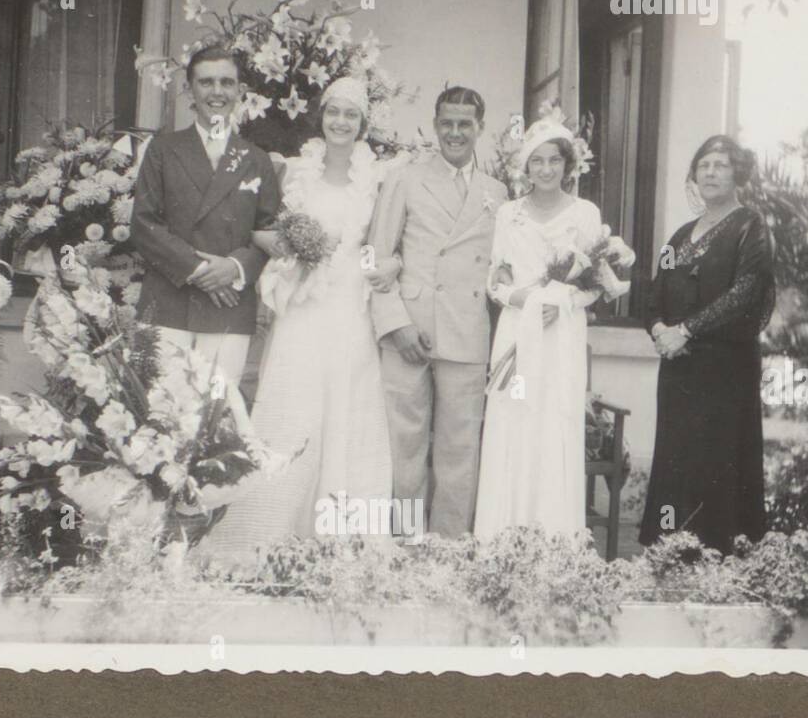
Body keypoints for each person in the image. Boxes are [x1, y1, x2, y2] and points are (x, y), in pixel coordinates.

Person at [211, 75, 395, 551]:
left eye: (351, 115)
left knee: (348, 402)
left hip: (350, 301)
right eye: (334, 112)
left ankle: (341, 531)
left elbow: (377, 246)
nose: (341, 122)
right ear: (321, 116)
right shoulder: (294, 170)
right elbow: (260, 231)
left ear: (362, 124)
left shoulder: (377, 177)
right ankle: (272, 528)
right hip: (305, 300)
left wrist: (379, 269)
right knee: (296, 396)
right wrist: (295, 249)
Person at [368, 86, 507, 537]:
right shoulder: (404, 179)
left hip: (466, 334)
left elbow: (506, 273)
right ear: (434, 124)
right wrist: (396, 325)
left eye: (465, 124)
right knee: (404, 444)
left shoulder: (498, 194)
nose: (454, 132)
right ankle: (404, 543)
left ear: (480, 129)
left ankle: (447, 548)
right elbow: (376, 258)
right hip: (409, 332)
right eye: (446, 122)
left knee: (459, 447)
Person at [640, 134, 776, 554]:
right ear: (694, 176)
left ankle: (719, 554)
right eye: (704, 165)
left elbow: (745, 294)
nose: (711, 172)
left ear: (738, 173)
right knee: (676, 459)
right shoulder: (679, 236)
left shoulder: (751, 227)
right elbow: (654, 294)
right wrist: (661, 329)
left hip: (725, 371)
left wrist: (688, 330)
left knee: (718, 460)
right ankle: (671, 551)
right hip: (679, 371)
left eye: (720, 164)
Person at [474, 117, 606, 540]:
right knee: (515, 420)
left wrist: (562, 301)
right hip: (517, 333)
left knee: (554, 422)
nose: (545, 169)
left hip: (561, 338)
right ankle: (503, 536)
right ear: (525, 167)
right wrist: (528, 303)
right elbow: (494, 280)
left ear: (567, 165)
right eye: (537, 161)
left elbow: (596, 285)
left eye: (554, 161)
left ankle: (553, 540)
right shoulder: (509, 214)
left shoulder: (585, 213)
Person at [129, 43, 282, 387]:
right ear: (189, 90)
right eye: (206, 82)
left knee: (217, 418)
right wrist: (200, 271)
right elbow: (144, 224)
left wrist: (235, 268)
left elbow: (268, 231)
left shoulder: (256, 159)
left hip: (229, 306)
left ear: (241, 91)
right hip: (168, 302)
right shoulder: (163, 150)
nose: (217, 92)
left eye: (227, 83)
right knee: (161, 414)